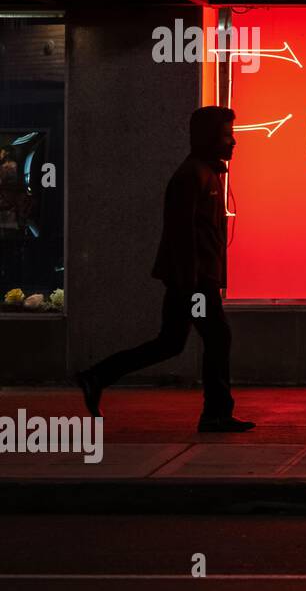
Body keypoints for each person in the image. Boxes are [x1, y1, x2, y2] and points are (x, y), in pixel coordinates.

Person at [76, 106, 254, 433]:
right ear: (209, 137)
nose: (234, 142)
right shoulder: (193, 176)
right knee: (217, 338)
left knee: (170, 343)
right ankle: (216, 414)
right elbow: (181, 234)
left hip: (193, 280)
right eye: (227, 134)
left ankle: (96, 377)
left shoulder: (205, 173)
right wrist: (193, 283)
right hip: (194, 281)